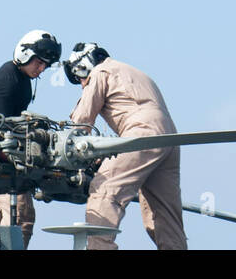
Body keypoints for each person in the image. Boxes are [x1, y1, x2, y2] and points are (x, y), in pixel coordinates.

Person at [65, 42, 187, 250]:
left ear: (83, 66)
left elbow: (82, 122)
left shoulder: (100, 72)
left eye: (80, 79)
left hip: (142, 133)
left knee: (105, 189)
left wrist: (67, 150)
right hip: (169, 140)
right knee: (164, 212)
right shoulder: (134, 72)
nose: (82, 85)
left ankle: (99, 247)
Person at [0, 29, 61, 247]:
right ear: (25, 54)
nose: (42, 68)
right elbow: (0, 129)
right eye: (39, 62)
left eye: (46, 65)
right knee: (21, 219)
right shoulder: (8, 81)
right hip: (2, 168)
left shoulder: (21, 78)